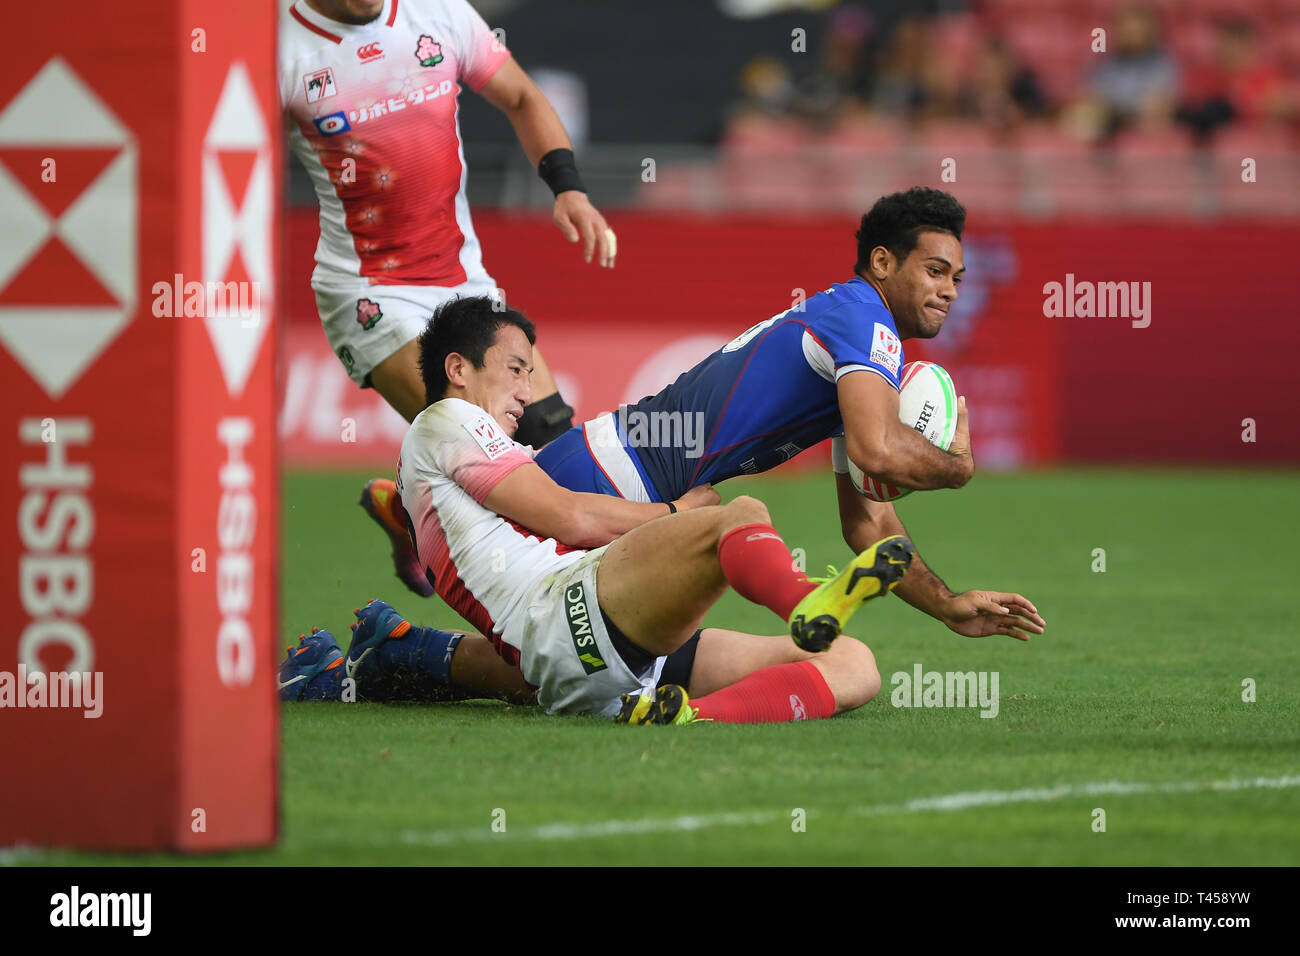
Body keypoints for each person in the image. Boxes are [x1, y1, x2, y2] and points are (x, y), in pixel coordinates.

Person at [356, 187, 1045, 702]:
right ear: (883, 262)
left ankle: (407, 629)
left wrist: (949, 603)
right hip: (613, 478)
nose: (949, 289)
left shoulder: (861, 352)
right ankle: (421, 549)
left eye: (957, 276)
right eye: (934, 270)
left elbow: (868, 522)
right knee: (566, 637)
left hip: (618, 473)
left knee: (557, 658)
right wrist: (957, 466)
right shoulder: (863, 320)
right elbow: (880, 453)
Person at [280, 298, 918, 724]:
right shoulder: (445, 419)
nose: (528, 392)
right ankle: (805, 599)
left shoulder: (449, 451)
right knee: (737, 512)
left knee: (855, 667)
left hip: (586, 659)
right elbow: (569, 517)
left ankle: (685, 717)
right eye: (515, 369)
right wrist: (676, 511)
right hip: (572, 619)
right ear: (458, 370)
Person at [279, 0, 613, 454]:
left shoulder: (436, 10)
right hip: (373, 292)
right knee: (487, 452)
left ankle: (404, 511)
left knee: (549, 438)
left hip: (463, 277)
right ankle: (417, 510)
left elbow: (522, 96)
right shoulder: (277, 47)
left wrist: (568, 188)